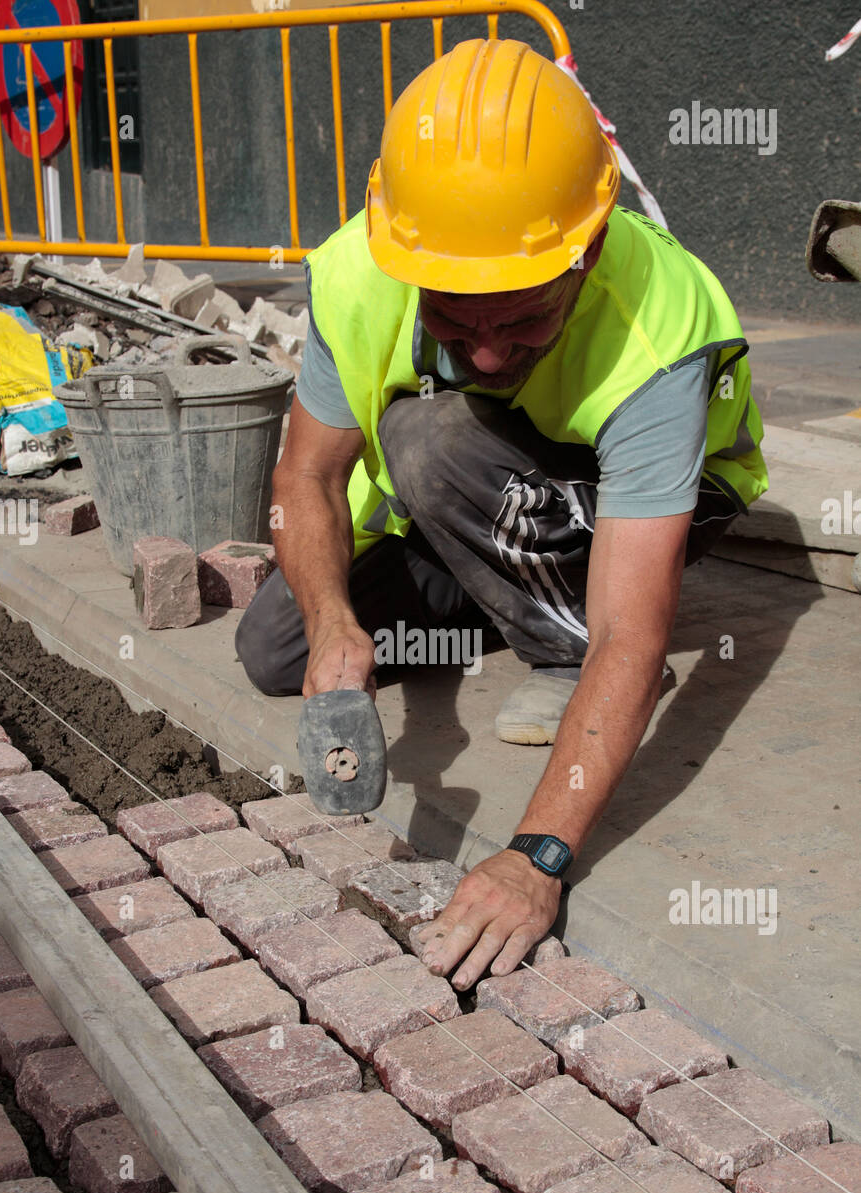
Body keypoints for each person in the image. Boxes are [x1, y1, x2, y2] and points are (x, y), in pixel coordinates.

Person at [236, 37, 767, 990]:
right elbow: (304, 481)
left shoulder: (662, 322)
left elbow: (630, 632)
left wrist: (538, 857)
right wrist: (331, 626)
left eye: (523, 320)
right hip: (482, 488)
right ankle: (498, 574)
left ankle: (548, 637)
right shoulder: (360, 270)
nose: (486, 353)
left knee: (431, 437)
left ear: (590, 248)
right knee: (274, 651)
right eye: (453, 318)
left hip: (643, 499)